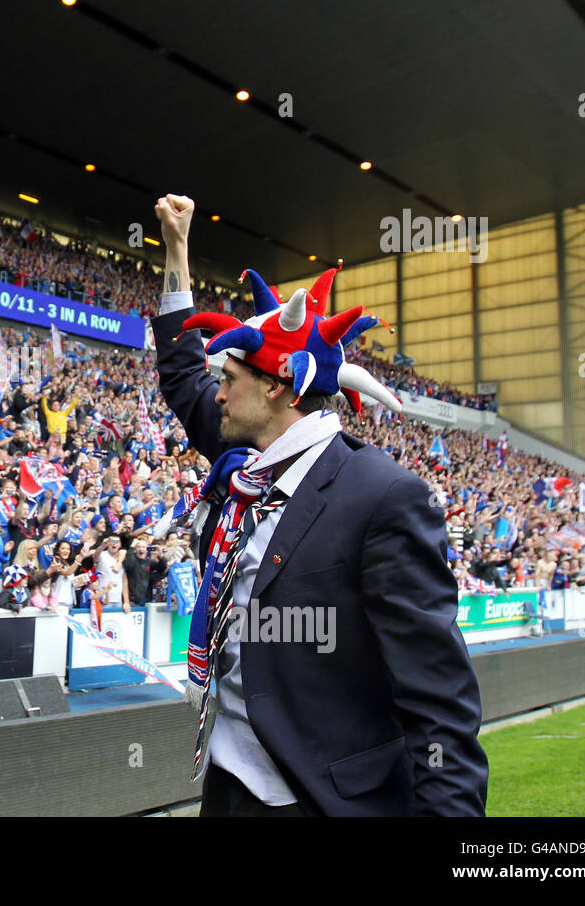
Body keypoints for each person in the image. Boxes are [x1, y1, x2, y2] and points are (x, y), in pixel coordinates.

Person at [152, 193, 486, 817]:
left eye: (227, 379)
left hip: (318, 800)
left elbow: (439, 701)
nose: (215, 394)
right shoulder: (246, 463)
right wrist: (176, 250)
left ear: (275, 387)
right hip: (229, 788)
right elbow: (178, 373)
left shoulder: (383, 497)